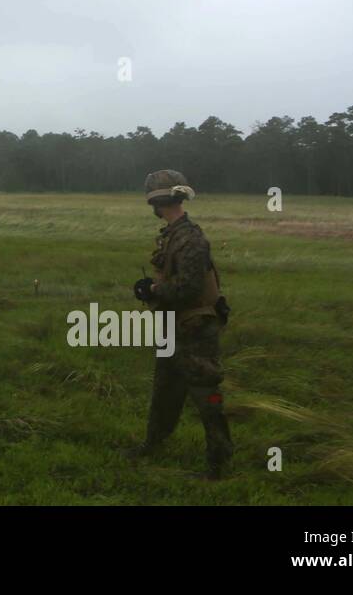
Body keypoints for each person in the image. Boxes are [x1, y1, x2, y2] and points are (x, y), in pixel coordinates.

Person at [127, 170, 234, 479]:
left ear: (158, 202)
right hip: (174, 327)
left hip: (194, 329)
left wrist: (153, 291)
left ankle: (220, 462)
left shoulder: (190, 238)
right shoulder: (174, 233)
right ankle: (154, 442)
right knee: (166, 390)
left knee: (207, 396)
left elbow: (186, 289)